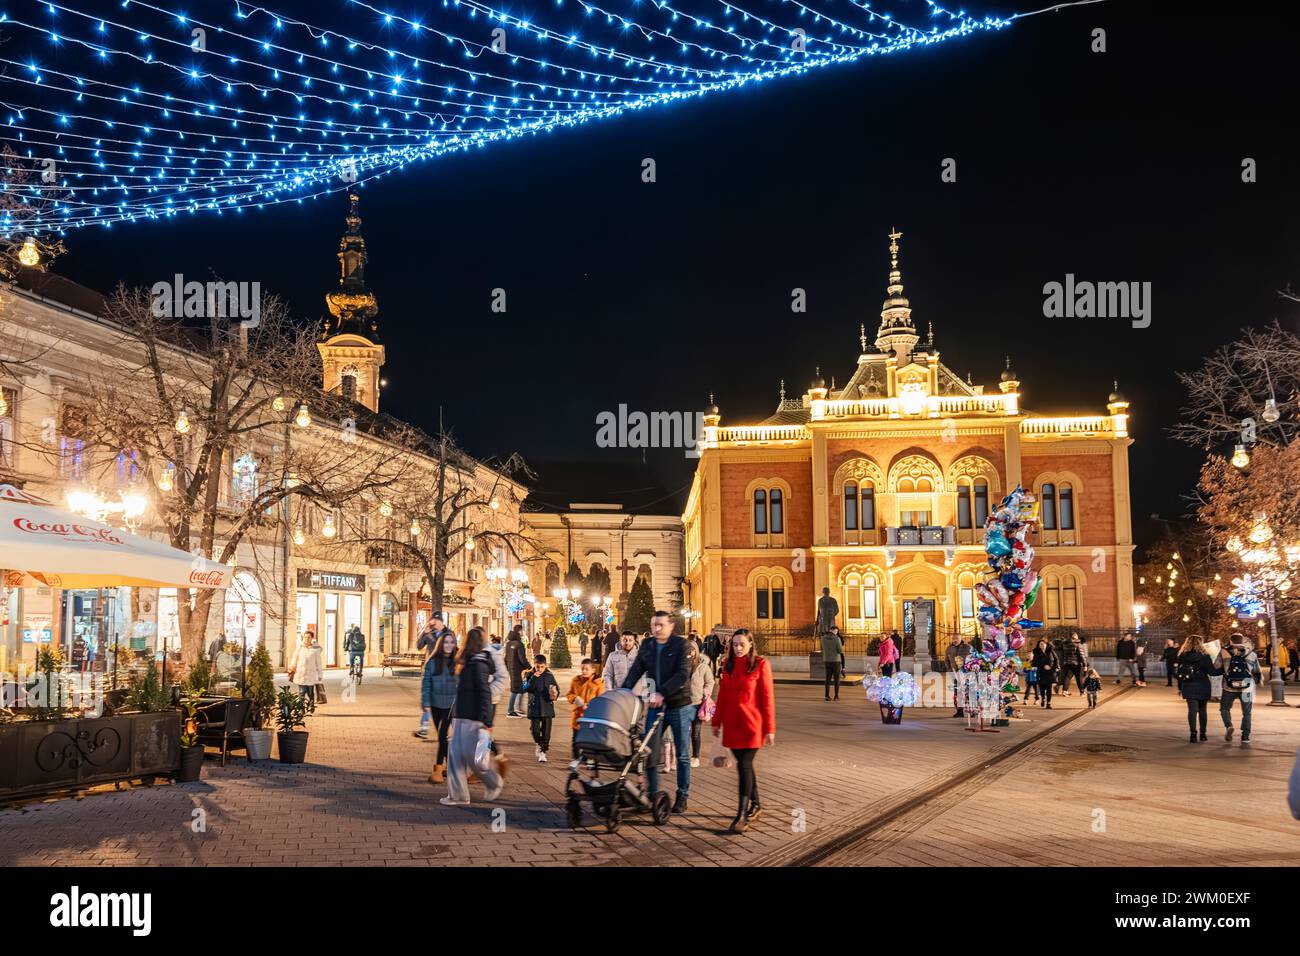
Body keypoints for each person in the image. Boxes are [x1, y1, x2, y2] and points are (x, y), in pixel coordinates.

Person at [622, 610, 692, 814]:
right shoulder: (648, 645)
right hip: (655, 706)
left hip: (679, 705)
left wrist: (663, 692)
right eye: (654, 625)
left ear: (671, 626)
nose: (657, 629)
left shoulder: (681, 645)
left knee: (682, 754)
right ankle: (652, 795)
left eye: (661, 625)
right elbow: (636, 669)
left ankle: (682, 796)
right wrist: (623, 690)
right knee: (649, 751)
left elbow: (682, 674)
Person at [711, 628, 775, 834]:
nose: (738, 649)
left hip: (751, 726)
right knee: (745, 766)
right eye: (735, 645)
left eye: (742, 645)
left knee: (744, 767)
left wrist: (769, 728)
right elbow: (722, 696)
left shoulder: (760, 664)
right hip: (732, 725)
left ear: (750, 646)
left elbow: (767, 698)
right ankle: (756, 804)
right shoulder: (727, 665)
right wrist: (716, 721)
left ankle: (741, 815)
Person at [440, 628, 503, 806]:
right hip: (461, 715)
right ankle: (458, 795)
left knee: (470, 757)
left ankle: (494, 782)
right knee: (454, 756)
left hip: (473, 717)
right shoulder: (466, 662)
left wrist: (487, 721)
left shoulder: (479, 664)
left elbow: (485, 693)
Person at [420, 629, 458, 781]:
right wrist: (426, 703)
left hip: (451, 704)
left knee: (442, 735)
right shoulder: (432, 662)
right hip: (435, 704)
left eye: (452, 642)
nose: (449, 645)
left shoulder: (458, 662)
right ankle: (451, 766)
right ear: (441, 644)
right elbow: (426, 683)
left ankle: (437, 768)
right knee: (442, 737)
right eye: (446, 642)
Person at [415, 614, 456, 736]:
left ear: (440, 621)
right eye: (431, 621)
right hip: (433, 667)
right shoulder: (430, 633)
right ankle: (424, 727)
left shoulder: (449, 634)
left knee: (447, 703)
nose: (432, 623)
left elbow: (453, 649)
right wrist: (424, 633)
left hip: (447, 668)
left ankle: (455, 731)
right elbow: (419, 646)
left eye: (434, 621)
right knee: (429, 694)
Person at [1218, 636, 1261, 746]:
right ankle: (1245, 736)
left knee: (1225, 708)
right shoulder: (1252, 653)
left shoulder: (1224, 652)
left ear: (1231, 641)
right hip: (1247, 688)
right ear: (1242, 641)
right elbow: (1257, 672)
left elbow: (1216, 666)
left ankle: (1229, 726)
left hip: (1229, 687)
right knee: (1247, 712)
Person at [1175, 636, 1216, 743]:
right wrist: (1223, 669)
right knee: (1203, 710)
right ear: (1200, 644)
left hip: (1188, 685)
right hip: (1203, 684)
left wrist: (1180, 687)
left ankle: (1193, 734)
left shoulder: (1182, 656)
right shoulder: (1205, 656)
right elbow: (1212, 672)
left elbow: (1179, 673)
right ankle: (1203, 734)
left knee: (1192, 711)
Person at [522, 654, 559, 762]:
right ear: (534, 665)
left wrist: (555, 693)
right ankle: (538, 743)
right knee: (535, 730)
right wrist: (533, 678)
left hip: (547, 706)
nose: (540, 669)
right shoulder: (529, 675)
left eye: (542, 667)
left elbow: (556, 688)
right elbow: (525, 688)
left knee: (546, 732)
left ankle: (543, 752)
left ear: (545, 666)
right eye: (538, 666)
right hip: (534, 707)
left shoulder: (549, 675)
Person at [565, 659, 604, 756]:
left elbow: (600, 700)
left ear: (593, 670)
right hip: (577, 717)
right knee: (576, 740)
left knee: (589, 740)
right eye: (582, 669)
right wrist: (574, 698)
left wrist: (589, 706)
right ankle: (576, 758)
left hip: (591, 717)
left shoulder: (598, 683)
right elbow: (569, 694)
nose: (584, 671)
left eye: (586, 669)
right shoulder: (576, 681)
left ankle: (589, 758)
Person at [685, 640, 715, 767]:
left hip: (698, 704)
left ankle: (695, 757)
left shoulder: (703, 667)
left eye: (691, 649)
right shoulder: (680, 665)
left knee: (695, 733)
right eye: (687, 649)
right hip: (684, 704)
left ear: (696, 651)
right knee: (684, 732)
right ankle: (684, 755)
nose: (689, 652)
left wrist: (705, 693)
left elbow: (710, 682)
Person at [288, 629, 323, 706]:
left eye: (309, 637)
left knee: (310, 693)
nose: (307, 639)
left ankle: (311, 706)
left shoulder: (315, 650)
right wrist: (292, 667)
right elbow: (294, 658)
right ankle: (301, 708)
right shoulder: (299, 648)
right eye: (305, 637)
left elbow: (319, 664)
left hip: (311, 675)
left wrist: (320, 675)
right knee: (301, 692)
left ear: (312, 638)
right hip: (301, 674)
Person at [504, 627, 531, 718]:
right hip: (518, 670)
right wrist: (529, 667)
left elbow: (506, 658)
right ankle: (510, 711)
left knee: (521, 688)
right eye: (522, 630)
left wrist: (508, 668)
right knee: (515, 690)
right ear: (519, 632)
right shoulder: (519, 644)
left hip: (512, 669)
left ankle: (518, 709)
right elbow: (522, 659)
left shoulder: (508, 644)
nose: (523, 632)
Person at [946, 634, 973, 716]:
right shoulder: (949, 648)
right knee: (957, 692)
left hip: (967, 673)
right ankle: (959, 711)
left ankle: (972, 710)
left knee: (969, 692)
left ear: (961, 638)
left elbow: (974, 658)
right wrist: (950, 670)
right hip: (955, 674)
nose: (955, 640)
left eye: (957, 638)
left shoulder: (968, 647)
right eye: (953, 638)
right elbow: (946, 660)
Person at [1031, 638, 1058, 709]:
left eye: (1043, 644)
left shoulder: (1050, 651)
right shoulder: (1036, 652)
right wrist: (1034, 666)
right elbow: (1034, 661)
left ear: (1046, 644)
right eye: (1040, 644)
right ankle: (1043, 699)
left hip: (1049, 672)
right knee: (1042, 688)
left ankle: (1048, 703)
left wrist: (1056, 667)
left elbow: (1056, 659)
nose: (1042, 645)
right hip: (1041, 672)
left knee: (1049, 688)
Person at [821, 625, 845, 701]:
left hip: (827, 660)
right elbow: (840, 650)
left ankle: (827, 696)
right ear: (833, 631)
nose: (836, 632)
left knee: (827, 679)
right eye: (835, 631)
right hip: (836, 661)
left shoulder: (823, 638)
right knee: (836, 679)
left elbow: (822, 648)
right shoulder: (836, 639)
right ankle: (836, 696)